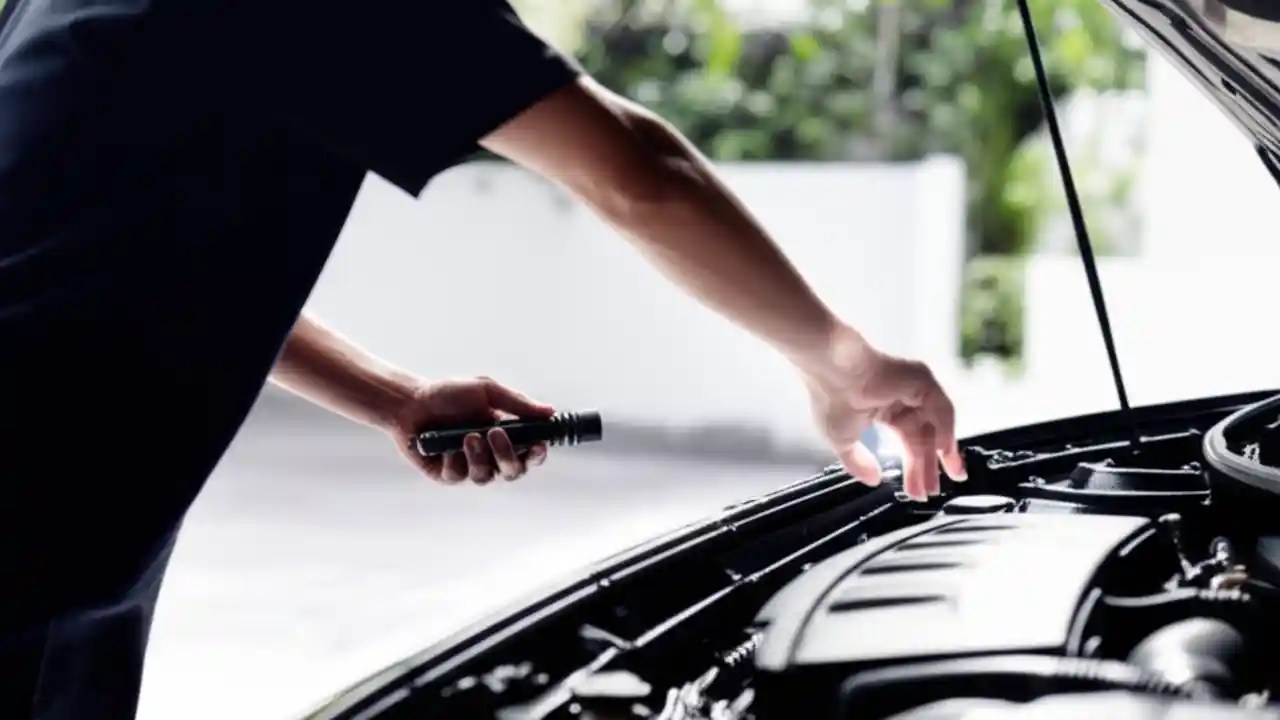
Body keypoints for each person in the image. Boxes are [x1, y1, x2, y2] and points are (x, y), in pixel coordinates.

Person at [0, 0, 965, 716]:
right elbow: (634, 170)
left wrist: (394, 398)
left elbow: (123, 257)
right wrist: (844, 364)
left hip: (76, 544)